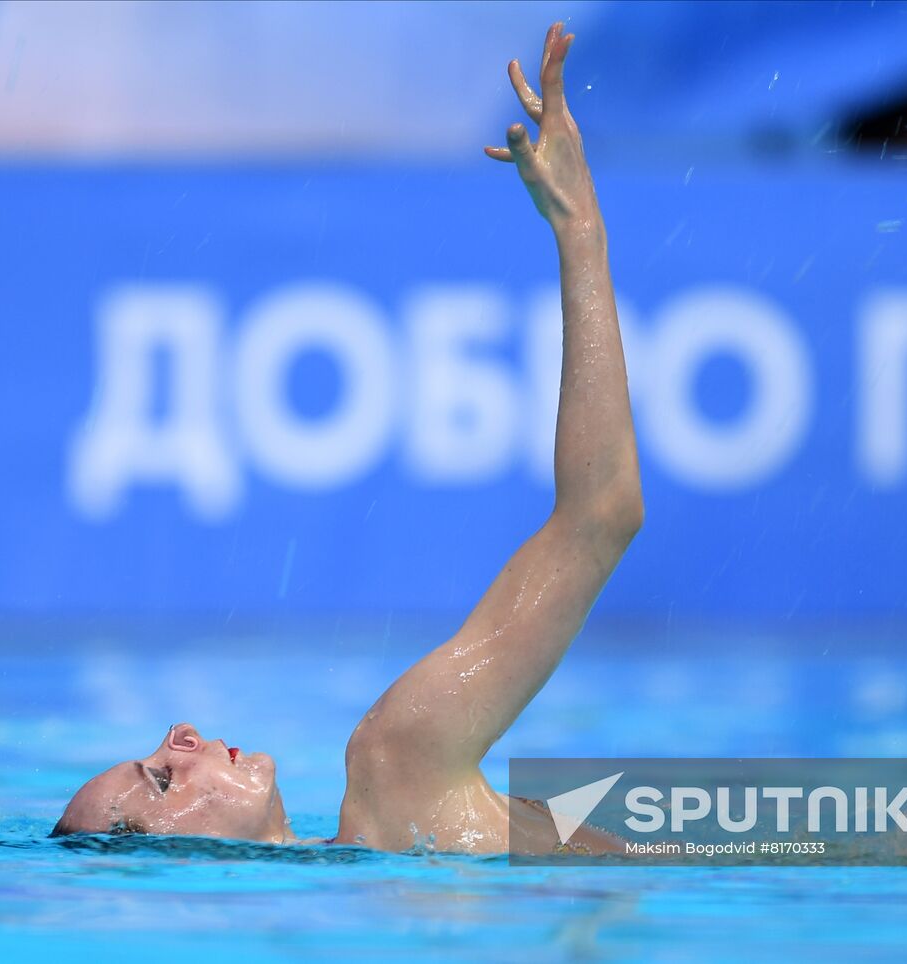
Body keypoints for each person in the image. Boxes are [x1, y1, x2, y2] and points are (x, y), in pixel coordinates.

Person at [52, 22, 642, 854]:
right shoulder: (399, 769)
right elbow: (602, 512)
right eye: (160, 778)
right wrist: (580, 230)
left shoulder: (386, 831)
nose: (178, 735)